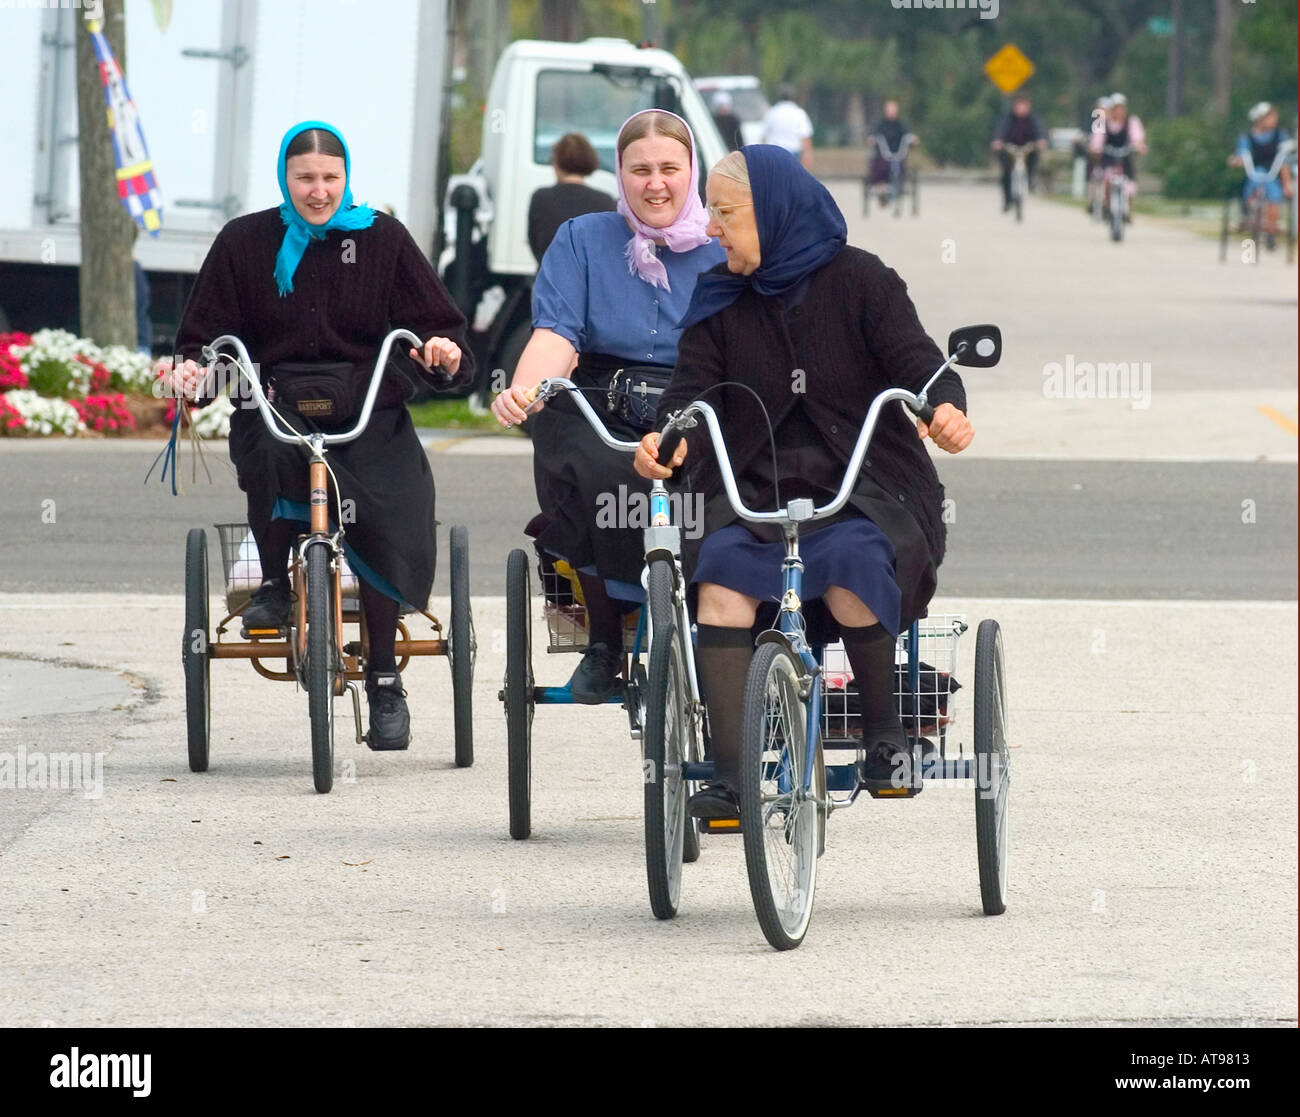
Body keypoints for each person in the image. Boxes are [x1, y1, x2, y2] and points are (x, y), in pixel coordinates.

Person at [633, 146, 973, 819]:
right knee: (722, 575)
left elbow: (921, 365)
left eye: (725, 214)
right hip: (753, 486)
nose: (709, 229)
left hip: (860, 484)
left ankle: (885, 738)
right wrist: (666, 440)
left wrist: (945, 407)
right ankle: (731, 777)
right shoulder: (721, 296)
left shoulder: (863, 282)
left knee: (852, 561)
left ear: (777, 213)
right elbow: (690, 392)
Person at [161, 121, 471, 751]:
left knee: (391, 500)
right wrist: (192, 370)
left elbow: (438, 325)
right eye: (305, 178)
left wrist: (441, 348)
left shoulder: (380, 238)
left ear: (346, 178)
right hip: (275, 396)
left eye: (331, 178)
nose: (319, 191)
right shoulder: (245, 241)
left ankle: (384, 679)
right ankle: (275, 582)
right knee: (272, 449)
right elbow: (202, 336)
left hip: (367, 404)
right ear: (285, 178)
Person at [490, 110, 725, 702]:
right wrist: (525, 390)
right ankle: (603, 642)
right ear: (618, 174)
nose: (655, 183)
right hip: (601, 394)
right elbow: (556, 334)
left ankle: (719, 627)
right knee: (593, 471)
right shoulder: (582, 238)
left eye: (670, 168)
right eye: (639, 169)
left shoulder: (723, 246)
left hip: (695, 396)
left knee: (723, 476)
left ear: (691, 170)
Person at [527, 132, 616, 264]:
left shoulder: (541, 197)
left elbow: (534, 242)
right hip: (588, 280)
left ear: (556, 164)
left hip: (550, 277)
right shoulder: (606, 202)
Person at [1229, 102, 1294, 249]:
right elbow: (1241, 154)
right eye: (1270, 118)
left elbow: (1284, 161)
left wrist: (1287, 183)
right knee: (1251, 189)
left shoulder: (1279, 136)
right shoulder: (1247, 137)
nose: (1273, 121)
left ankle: (1271, 231)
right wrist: (1236, 160)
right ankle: (1249, 215)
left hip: (1272, 174)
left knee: (1274, 196)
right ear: (1261, 119)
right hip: (1255, 173)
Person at [1088, 92, 1146, 220]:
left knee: (1129, 185)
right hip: (1109, 156)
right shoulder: (1102, 121)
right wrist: (1095, 147)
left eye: (1121, 108)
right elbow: (1097, 137)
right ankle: (1107, 205)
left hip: (1125, 155)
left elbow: (1136, 136)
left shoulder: (1131, 121)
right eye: (1116, 108)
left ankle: (1129, 211)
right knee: (1107, 179)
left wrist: (1138, 145)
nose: (1119, 111)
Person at [991, 94, 1048, 211]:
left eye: (1024, 106)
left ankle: (1030, 179)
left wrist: (1041, 140)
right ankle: (1007, 200)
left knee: (1033, 158)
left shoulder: (1033, 118)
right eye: (1019, 106)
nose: (1021, 108)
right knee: (1006, 172)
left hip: (1027, 148)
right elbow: (1001, 129)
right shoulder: (1008, 118)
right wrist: (998, 140)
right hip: (1010, 148)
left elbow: (1039, 130)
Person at [866, 99, 917, 205]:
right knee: (879, 167)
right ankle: (881, 189)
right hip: (883, 154)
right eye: (889, 110)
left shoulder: (901, 123)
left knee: (902, 168)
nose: (891, 112)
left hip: (899, 153)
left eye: (893, 110)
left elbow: (908, 134)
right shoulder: (880, 124)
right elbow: (873, 134)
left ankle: (900, 185)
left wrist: (912, 139)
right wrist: (872, 139)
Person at [760, 84, 814, 170]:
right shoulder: (799, 113)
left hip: (774, 153)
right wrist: (807, 156)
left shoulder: (772, 112)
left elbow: (764, 137)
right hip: (793, 154)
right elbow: (805, 137)